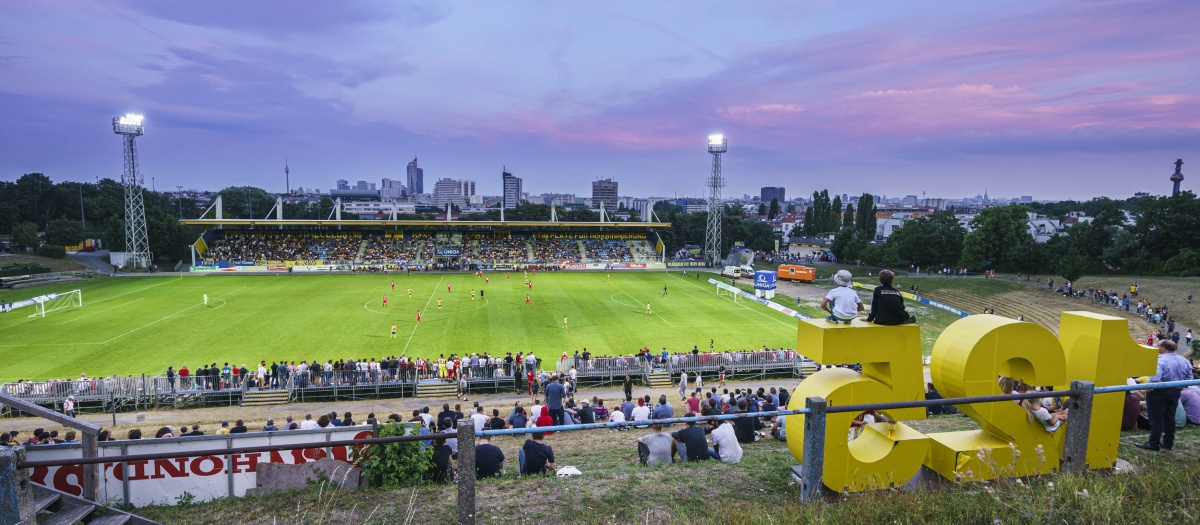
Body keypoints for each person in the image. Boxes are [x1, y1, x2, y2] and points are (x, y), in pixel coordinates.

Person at [1136, 340, 1193, 451]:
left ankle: (1153, 443)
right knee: (1170, 417)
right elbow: (1189, 379)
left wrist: (1148, 389)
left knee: (1156, 418)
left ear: (1163, 349)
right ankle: (1168, 442)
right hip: (1175, 392)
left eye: (1158, 346)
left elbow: (1155, 379)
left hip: (1158, 393)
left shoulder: (1159, 361)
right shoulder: (1184, 360)